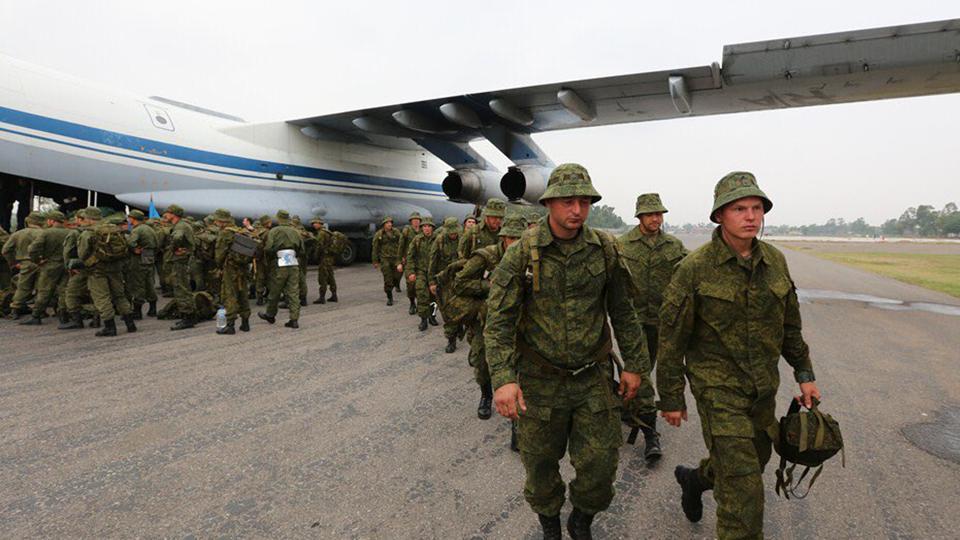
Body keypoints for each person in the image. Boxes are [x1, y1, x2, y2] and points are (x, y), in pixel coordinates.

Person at [485, 164, 649, 539]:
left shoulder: (605, 249)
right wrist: (504, 379)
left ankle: (582, 519)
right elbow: (499, 322)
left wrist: (635, 366)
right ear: (549, 203)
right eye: (568, 201)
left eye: (584, 202)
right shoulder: (522, 253)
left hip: (592, 379)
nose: (577, 210)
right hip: (540, 381)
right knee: (540, 465)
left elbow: (623, 312)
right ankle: (550, 525)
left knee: (601, 465)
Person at [657, 172, 821, 540]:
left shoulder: (775, 262)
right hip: (718, 392)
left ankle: (696, 480)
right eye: (739, 209)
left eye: (757, 208)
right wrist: (671, 397)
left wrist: (805, 374)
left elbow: (789, 327)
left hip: (762, 390)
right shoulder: (695, 269)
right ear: (719, 215)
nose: (750, 216)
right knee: (744, 491)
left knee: (752, 461)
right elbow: (671, 339)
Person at [616, 193, 689, 463]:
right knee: (643, 373)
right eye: (650, 214)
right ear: (639, 217)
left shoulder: (674, 246)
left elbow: (691, 274)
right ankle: (650, 434)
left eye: (659, 214)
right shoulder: (622, 245)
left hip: (660, 321)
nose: (656, 219)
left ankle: (627, 406)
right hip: (632, 322)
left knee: (644, 370)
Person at [453, 214, 526, 421]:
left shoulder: (530, 258)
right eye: (511, 238)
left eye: (519, 238)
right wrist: (488, 286)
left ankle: (518, 418)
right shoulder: (486, 257)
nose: (515, 243)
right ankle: (486, 395)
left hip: (519, 321)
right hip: (485, 320)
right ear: (503, 238)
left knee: (521, 366)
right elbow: (460, 283)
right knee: (482, 363)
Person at [80, 213, 136, 336]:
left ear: (89, 219)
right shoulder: (114, 229)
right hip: (115, 267)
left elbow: (82, 253)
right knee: (120, 296)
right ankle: (130, 324)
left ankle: (110, 327)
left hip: (97, 269)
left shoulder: (88, 233)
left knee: (102, 298)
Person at [20, 210, 70, 325]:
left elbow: (33, 249)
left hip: (50, 265)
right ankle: (64, 316)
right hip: (66, 265)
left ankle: (36, 315)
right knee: (64, 291)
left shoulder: (46, 233)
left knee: (44, 290)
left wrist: (37, 261)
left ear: (51, 221)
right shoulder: (71, 232)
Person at [258, 209, 304, 329]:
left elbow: (268, 248)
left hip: (279, 263)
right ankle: (294, 319)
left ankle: (270, 314)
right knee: (293, 292)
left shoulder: (274, 231)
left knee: (275, 291)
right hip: (293, 263)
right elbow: (302, 250)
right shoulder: (296, 231)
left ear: (278, 218)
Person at [213, 208, 253, 334]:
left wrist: (219, 266)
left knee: (229, 294)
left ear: (221, 221)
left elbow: (220, 254)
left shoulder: (225, 233)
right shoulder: (240, 230)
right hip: (243, 268)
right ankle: (245, 323)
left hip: (230, 268)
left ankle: (230, 325)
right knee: (243, 293)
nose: (215, 222)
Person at [428, 217, 463, 353]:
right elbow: (433, 262)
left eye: (455, 232)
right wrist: (432, 282)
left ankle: (459, 326)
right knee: (447, 311)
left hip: (460, 279)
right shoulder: (439, 241)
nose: (453, 234)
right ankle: (451, 339)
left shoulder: (463, 239)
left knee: (461, 307)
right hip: (444, 280)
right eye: (451, 232)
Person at [2, 211, 45, 319]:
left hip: (25, 264)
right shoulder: (45, 233)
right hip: (43, 263)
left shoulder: (18, 234)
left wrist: (14, 263)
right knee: (41, 288)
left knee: (23, 287)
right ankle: (40, 311)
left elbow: (6, 250)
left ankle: (15, 310)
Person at [164, 204, 198, 330]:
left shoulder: (180, 226)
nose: (165, 215)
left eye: (168, 213)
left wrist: (174, 249)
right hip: (184, 260)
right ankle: (190, 315)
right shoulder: (183, 225)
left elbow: (177, 237)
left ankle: (187, 317)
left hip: (180, 261)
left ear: (174, 214)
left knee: (181, 288)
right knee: (184, 287)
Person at [404, 216, 437, 331]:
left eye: (429, 226)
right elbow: (410, 257)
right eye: (424, 226)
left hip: (434, 272)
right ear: (422, 228)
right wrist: (410, 272)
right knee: (422, 294)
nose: (427, 228)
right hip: (421, 271)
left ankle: (432, 316)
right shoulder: (417, 240)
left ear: (432, 228)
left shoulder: (438, 239)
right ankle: (423, 319)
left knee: (434, 297)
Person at [126, 209, 159, 319]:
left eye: (129, 218)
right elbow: (157, 244)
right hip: (149, 256)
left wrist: (134, 249)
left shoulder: (137, 230)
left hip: (139, 259)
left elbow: (130, 242)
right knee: (149, 283)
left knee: (138, 283)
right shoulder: (149, 229)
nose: (128, 220)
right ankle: (153, 309)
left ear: (133, 218)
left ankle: (137, 312)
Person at [371, 216, 403, 305]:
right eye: (387, 223)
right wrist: (375, 261)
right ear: (384, 224)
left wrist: (402, 256)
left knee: (397, 275)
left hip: (396, 258)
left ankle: (396, 283)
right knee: (388, 279)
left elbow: (402, 244)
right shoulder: (379, 234)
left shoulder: (396, 232)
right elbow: (375, 248)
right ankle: (389, 297)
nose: (389, 224)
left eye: (390, 222)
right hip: (385, 259)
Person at [399, 212, 422, 314]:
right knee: (411, 285)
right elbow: (401, 246)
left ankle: (421, 305)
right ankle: (412, 303)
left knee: (421, 285)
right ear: (411, 221)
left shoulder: (423, 230)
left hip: (421, 261)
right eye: (414, 220)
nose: (416, 221)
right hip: (409, 260)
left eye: (418, 220)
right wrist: (399, 261)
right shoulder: (407, 231)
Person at [311, 217, 335, 304]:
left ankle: (322, 297)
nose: (313, 225)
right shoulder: (328, 232)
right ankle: (334, 295)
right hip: (330, 258)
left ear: (319, 223)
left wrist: (315, 256)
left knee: (323, 278)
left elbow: (319, 246)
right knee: (331, 277)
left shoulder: (321, 233)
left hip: (324, 258)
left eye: (314, 223)